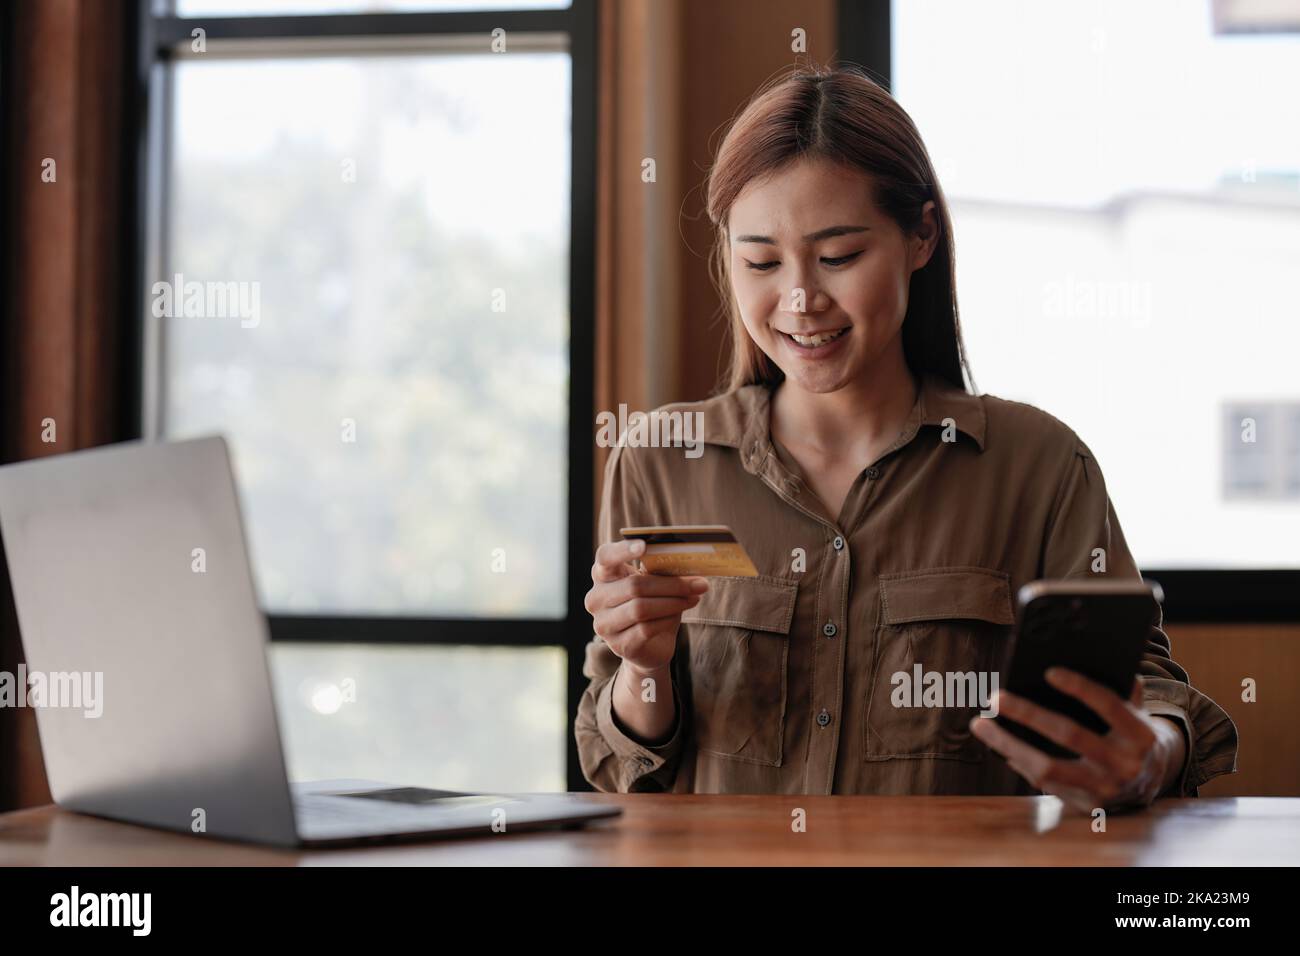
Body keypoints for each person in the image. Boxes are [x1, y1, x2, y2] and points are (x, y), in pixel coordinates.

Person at [575, 63, 1238, 807]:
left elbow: (1148, 697)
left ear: (920, 234)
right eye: (760, 260)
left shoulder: (1039, 466)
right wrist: (644, 667)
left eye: (839, 257)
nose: (799, 299)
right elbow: (620, 766)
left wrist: (1148, 755)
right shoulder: (663, 459)